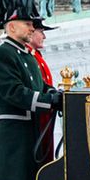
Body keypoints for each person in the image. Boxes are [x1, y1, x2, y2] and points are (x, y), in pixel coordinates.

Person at [0, 0, 62, 180]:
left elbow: (40, 87)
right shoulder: (3, 54)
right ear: (11, 26)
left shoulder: (27, 57)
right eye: (27, 22)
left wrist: (57, 95)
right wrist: (49, 100)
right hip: (12, 138)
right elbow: (13, 93)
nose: (33, 27)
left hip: (29, 136)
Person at [27, 19, 58, 169]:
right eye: (41, 32)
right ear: (31, 33)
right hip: (38, 115)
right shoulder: (29, 57)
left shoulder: (36, 57)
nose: (44, 36)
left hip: (45, 114)